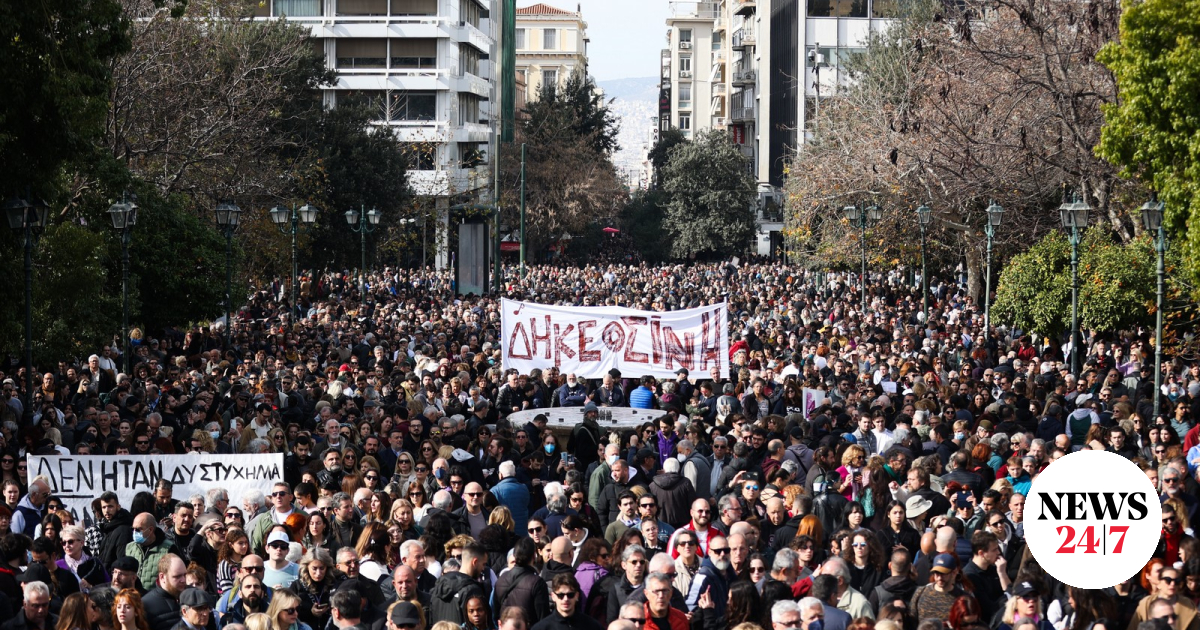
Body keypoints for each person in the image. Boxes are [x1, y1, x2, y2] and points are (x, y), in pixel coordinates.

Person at [530, 574, 601, 630]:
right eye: (561, 595)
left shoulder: (592, 626)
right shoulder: (542, 627)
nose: (566, 599)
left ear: (577, 596)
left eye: (570, 595)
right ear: (553, 596)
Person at [142, 555, 189, 630]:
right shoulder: (145, 605)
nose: (183, 580)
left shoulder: (193, 596)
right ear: (162, 577)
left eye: (184, 575)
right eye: (177, 576)